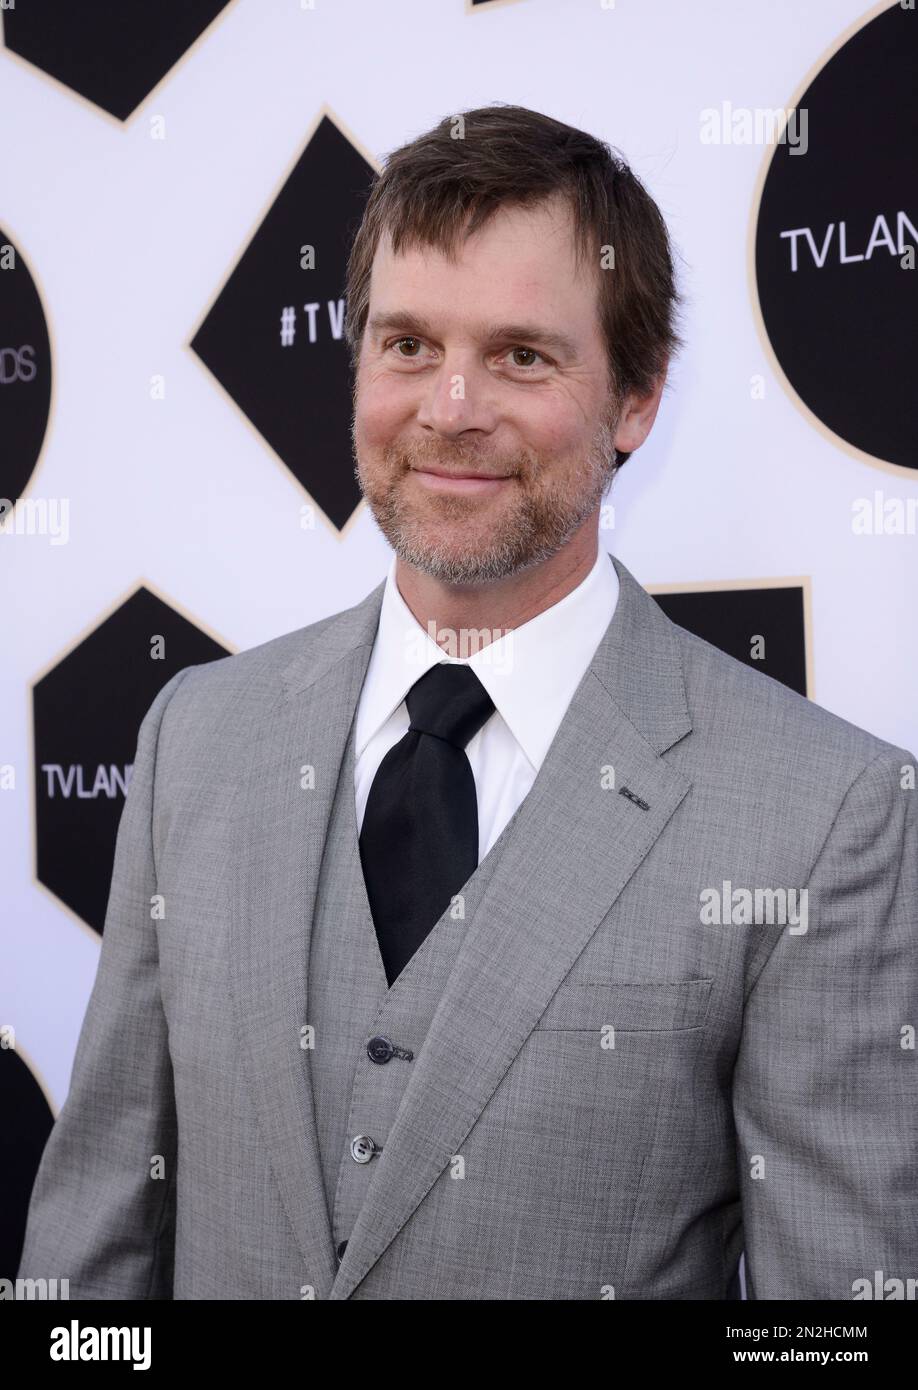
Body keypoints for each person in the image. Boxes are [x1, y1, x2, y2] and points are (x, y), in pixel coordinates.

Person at [19, 104, 917, 1300]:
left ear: (638, 396)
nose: (450, 408)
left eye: (521, 356)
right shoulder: (199, 737)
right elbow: (93, 1257)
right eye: (406, 346)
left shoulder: (822, 815)